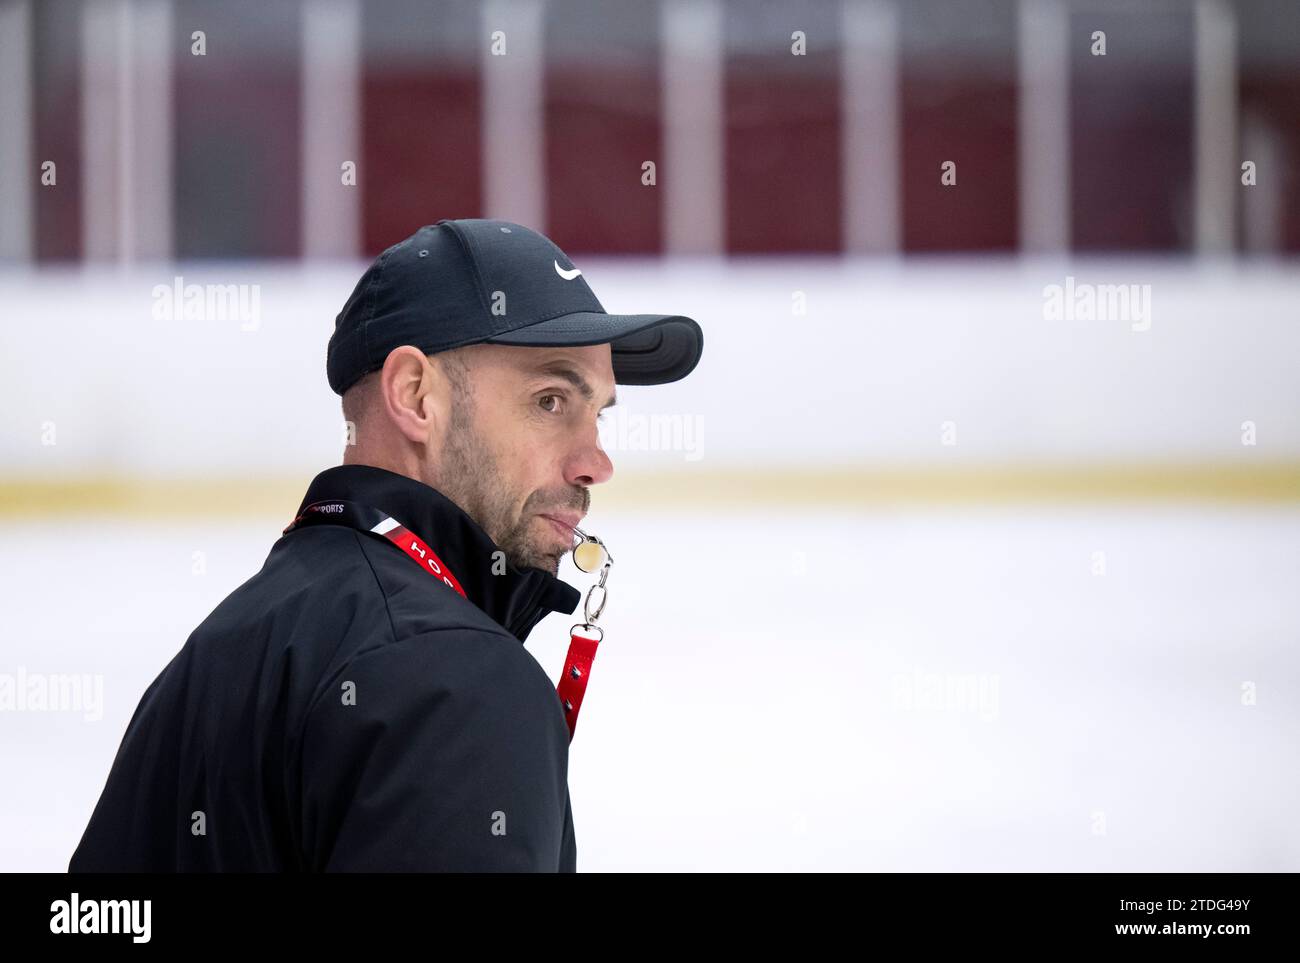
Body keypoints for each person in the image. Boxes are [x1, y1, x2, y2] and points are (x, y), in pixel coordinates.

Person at [68, 218, 703, 872]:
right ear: (415, 396)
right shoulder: (453, 681)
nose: (595, 461)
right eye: (550, 400)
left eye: (598, 413)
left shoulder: (229, 642)